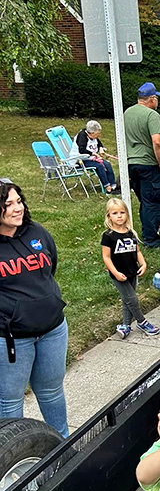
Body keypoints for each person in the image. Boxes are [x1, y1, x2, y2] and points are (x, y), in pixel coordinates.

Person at [0, 182, 69, 438]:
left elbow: (50, 268)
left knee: (51, 391)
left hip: (53, 330)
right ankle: (13, 459)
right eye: (8, 204)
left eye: (19, 201)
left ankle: (62, 446)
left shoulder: (36, 232)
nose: (17, 208)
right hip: (11, 338)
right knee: (10, 401)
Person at [101, 198, 159, 339]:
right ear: (109, 216)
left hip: (132, 271)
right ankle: (142, 322)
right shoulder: (108, 236)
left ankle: (126, 325)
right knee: (132, 299)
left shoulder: (130, 232)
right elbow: (106, 257)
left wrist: (143, 264)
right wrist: (115, 272)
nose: (119, 216)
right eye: (115, 213)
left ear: (127, 214)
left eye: (122, 212)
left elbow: (137, 251)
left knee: (127, 300)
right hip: (119, 274)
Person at [123, 82, 160, 250]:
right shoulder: (151, 115)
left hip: (131, 163)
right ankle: (152, 240)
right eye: (157, 98)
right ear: (152, 98)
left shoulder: (127, 112)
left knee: (144, 200)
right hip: (149, 164)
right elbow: (158, 142)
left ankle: (145, 232)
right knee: (154, 202)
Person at [70, 120, 117, 193]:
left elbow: (99, 143)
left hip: (90, 158)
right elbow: (81, 150)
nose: (98, 135)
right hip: (79, 161)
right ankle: (107, 186)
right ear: (91, 133)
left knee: (107, 164)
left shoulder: (93, 136)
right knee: (99, 166)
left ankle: (113, 185)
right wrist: (94, 154)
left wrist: (101, 148)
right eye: (97, 134)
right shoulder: (82, 136)